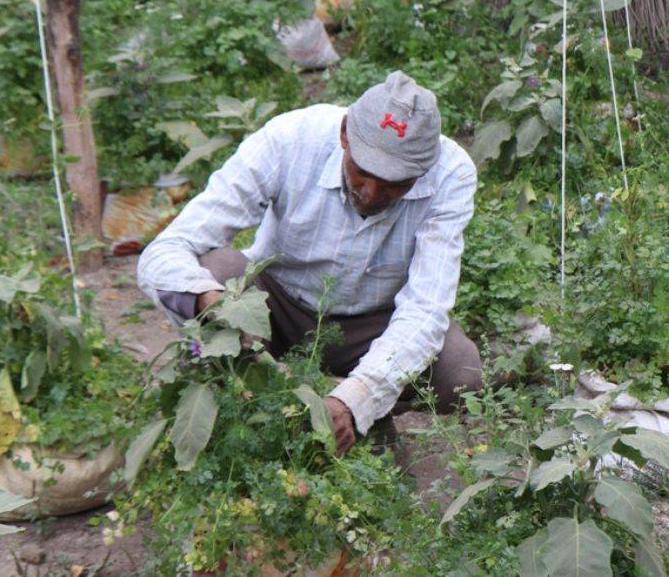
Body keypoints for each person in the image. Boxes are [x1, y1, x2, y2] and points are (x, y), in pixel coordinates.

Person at [137, 70, 483, 455]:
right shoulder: (291, 139)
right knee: (216, 268)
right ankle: (253, 396)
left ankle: (356, 407)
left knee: (460, 370)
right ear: (345, 134)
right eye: (364, 171)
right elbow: (167, 250)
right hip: (275, 310)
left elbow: (425, 309)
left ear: (425, 168)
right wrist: (210, 300)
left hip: (372, 324)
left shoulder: (450, 173)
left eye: (396, 184)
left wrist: (357, 396)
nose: (372, 193)